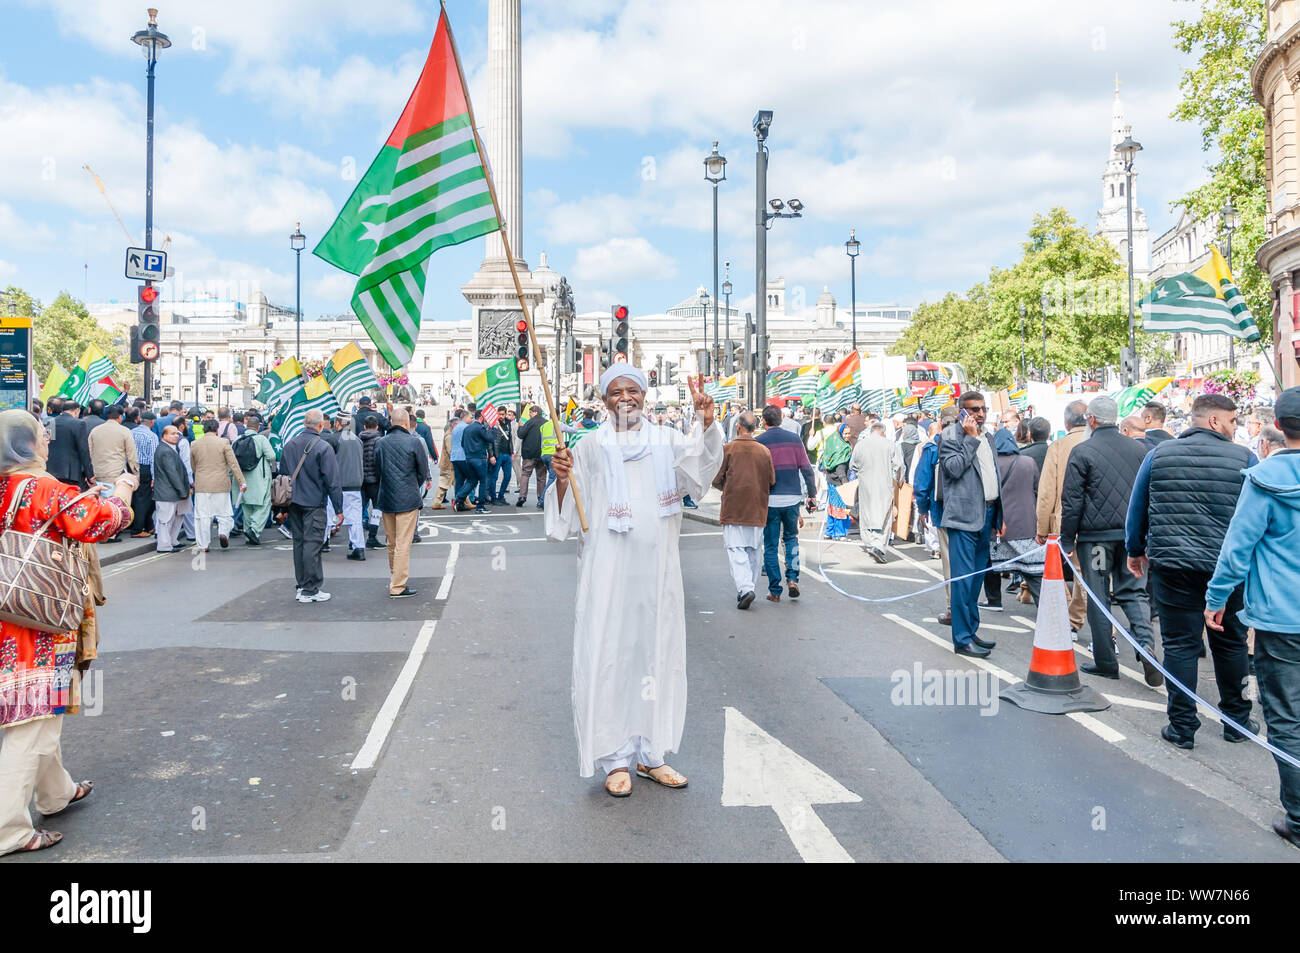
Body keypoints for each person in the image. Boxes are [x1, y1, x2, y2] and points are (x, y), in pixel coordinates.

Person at [546, 366, 722, 796]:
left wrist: (708, 422)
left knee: (656, 655)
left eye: (632, 390)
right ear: (603, 400)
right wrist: (564, 479)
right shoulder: (588, 446)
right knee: (609, 655)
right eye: (614, 392)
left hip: (658, 572)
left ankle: (651, 754)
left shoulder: (666, 441)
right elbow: (565, 519)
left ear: (644, 395)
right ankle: (615, 758)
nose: (624, 398)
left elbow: (701, 471)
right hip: (607, 572)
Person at [0, 409, 134, 855]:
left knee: (39, 718)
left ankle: (55, 793)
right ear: (24, 445)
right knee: (32, 724)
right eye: (41, 437)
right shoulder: (40, 487)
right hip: (36, 622)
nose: (47, 443)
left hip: (7, 614)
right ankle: (9, 830)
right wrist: (122, 493)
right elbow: (99, 521)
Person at [1203, 387, 1300, 847]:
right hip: (1282, 618)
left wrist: (1217, 596)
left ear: (1278, 427)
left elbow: (1237, 547)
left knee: (1286, 717)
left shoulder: (1265, 478)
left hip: (1283, 620)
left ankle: (1299, 817)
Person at [1128, 393, 1256, 740]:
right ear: (1214, 421)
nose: (1234, 428)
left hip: (1172, 563)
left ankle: (1183, 726)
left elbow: (1137, 506)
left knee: (1180, 645)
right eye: (1232, 421)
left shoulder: (1159, 455)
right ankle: (1237, 722)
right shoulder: (1244, 458)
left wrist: (1135, 548)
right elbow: (1254, 516)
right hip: (1226, 568)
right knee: (1231, 643)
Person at [1058, 395, 1156, 681]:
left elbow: (1072, 500)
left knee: (1099, 596)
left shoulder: (1083, 451)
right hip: (1129, 538)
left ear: (1091, 419)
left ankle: (1105, 661)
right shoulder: (1140, 451)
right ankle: (1146, 645)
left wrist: (1066, 539)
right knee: (1134, 592)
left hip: (1096, 540)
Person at [938, 391, 1000, 658]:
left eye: (983, 409)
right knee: (963, 581)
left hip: (987, 515)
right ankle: (962, 638)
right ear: (962, 411)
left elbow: (995, 475)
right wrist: (971, 441)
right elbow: (953, 469)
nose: (981, 414)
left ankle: (971, 631)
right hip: (963, 517)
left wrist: (999, 516)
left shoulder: (990, 436)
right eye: (974, 409)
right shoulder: (950, 436)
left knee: (975, 581)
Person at [1035, 400, 1090, 634]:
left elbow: (1047, 492)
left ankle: (1106, 632)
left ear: (1066, 422)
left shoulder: (1058, 446)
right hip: (1105, 523)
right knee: (1092, 575)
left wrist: (1042, 527)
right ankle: (1075, 620)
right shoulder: (1098, 442)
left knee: (1083, 577)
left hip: (1068, 520)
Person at [279, 410, 344, 603]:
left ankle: (302, 585)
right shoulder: (323, 447)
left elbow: (282, 476)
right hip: (314, 501)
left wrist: (281, 508)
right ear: (321, 425)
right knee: (312, 544)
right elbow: (332, 480)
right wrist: (339, 509)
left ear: (303, 423)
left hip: (293, 501)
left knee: (299, 543)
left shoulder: (290, 445)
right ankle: (311, 588)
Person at [711, 410, 774, 610]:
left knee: (736, 549)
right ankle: (748, 587)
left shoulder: (728, 449)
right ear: (754, 428)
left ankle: (745, 588)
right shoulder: (764, 451)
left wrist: (728, 487)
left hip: (734, 506)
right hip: (757, 506)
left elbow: (716, 479)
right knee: (753, 550)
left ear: (738, 426)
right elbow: (771, 481)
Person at [755, 404, 817, 601]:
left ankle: (774, 590)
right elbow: (807, 470)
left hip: (770, 499)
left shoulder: (759, 442)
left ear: (763, 421)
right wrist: (812, 495)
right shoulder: (794, 439)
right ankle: (793, 578)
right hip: (792, 498)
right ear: (781, 419)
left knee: (771, 544)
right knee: (791, 539)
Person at [375, 407, 430, 597]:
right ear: (407, 423)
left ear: (391, 422)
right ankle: (398, 585)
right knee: (403, 544)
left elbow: (376, 470)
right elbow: (422, 472)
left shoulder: (381, 442)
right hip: (407, 496)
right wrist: (413, 484)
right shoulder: (413, 442)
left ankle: (395, 578)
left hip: (387, 497)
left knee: (392, 542)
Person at [914, 406, 960, 623]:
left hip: (943, 512)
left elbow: (922, 483)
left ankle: (953, 608)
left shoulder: (933, 447)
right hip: (970, 513)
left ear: (941, 423)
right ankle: (968, 607)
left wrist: (923, 509)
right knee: (969, 562)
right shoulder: (970, 442)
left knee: (950, 562)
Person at [991, 427, 1043, 603]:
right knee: (1033, 570)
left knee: (991, 567)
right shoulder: (1028, 462)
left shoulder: (992, 463)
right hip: (1026, 524)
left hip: (999, 525)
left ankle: (993, 600)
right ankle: (1044, 608)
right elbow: (1038, 491)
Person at [851, 420, 904, 563]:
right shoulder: (889, 445)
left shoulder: (861, 445)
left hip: (865, 485)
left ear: (870, 432)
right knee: (884, 515)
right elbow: (899, 466)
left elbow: (853, 465)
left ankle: (869, 543)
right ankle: (878, 545)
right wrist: (899, 480)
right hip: (884, 485)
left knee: (867, 514)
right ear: (884, 433)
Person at [189, 419, 246, 552]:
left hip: (202, 484)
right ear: (217, 430)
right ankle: (223, 533)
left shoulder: (194, 444)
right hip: (221, 483)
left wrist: (198, 476)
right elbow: (233, 464)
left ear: (203, 429)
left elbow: (193, 465)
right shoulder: (224, 442)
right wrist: (241, 481)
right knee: (224, 513)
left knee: (203, 516)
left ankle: (203, 545)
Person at [232, 413, 275, 545]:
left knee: (247, 508)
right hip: (259, 478)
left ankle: (248, 534)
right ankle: (254, 530)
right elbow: (272, 456)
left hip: (242, 479)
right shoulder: (261, 439)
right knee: (263, 506)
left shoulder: (237, 439)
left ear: (246, 426)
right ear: (258, 427)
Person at [334, 415, 367, 560]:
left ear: (337, 423)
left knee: (330, 516)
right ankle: (358, 546)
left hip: (340, 483)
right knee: (355, 518)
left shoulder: (336, 439)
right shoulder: (357, 440)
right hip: (356, 483)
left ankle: (322, 543)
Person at [152, 425, 190, 553]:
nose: (176, 436)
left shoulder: (168, 448)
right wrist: (182, 490)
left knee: (177, 517)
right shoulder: (165, 451)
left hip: (171, 491)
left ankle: (173, 541)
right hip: (167, 491)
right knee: (166, 520)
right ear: (164, 435)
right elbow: (172, 473)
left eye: (177, 434)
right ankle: (164, 546)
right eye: (172, 433)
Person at [46, 399, 92, 489]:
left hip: (51, 471)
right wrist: (90, 474)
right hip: (71, 473)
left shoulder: (49, 423)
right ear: (76, 410)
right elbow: (84, 450)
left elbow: (46, 444)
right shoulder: (79, 424)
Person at [127, 409, 158, 538]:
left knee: (134, 498)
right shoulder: (151, 436)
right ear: (152, 422)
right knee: (144, 499)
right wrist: (154, 477)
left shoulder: (131, 433)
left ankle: (148, 525)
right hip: (145, 469)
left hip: (131, 467)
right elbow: (153, 458)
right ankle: (137, 529)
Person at [460, 409, 496, 515]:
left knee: (472, 481)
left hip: (469, 458)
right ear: (481, 417)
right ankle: (480, 506)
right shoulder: (480, 428)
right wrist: (494, 427)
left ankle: (459, 498)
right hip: (479, 458)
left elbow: (462, 443)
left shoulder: (467, 428)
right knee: (483, 482)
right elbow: (490, 438)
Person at [359, 416, 385, 547]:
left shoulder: (358, 440)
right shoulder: (379, 441)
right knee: (377, 509)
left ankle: (356, 540)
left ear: (364, 426)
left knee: (359, 509)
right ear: (377, 426)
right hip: (375, 480)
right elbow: (380, 461)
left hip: (361, 480)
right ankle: (372, 537)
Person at [516, 405, 548, 507]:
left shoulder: (530, 422)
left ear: (534, 412)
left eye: (530, 413)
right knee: (541, 477)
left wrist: (520, 426)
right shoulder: (546, 422)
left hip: (529, 453)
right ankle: (541, 498)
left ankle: (522, 496)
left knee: (525, 475)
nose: (529, 415)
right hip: (542, 453)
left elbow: (521, 434)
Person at [432, 412, 458, 510]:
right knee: (444, 484)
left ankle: (465, 501)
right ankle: (437, 503)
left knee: (457, 483)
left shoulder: (449, 434)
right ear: (453, 425)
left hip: (448, 464)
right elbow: (450, 451)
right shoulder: (450, 436)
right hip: (448, 465)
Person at [490, 409, 514, 504]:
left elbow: (510, 438)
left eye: (503, 414)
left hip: (507, 453)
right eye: (499, 414)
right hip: (498, 453)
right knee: (494, 476)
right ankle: (493, 498)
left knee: (508, 476)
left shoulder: (508, 423)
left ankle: (501, 496)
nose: (501, 416)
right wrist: (492, 455)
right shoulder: (495, 424)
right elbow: (491, 441)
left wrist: (512, 452)